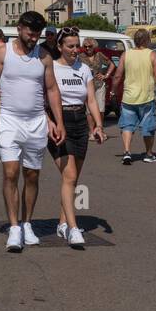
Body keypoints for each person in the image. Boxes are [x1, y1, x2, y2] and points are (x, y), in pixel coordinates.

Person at [0, 11, 65, 252]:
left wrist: (59, 122)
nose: (33, 38)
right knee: (10, 172)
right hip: (9, 121)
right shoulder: (2, 52)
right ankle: (14, 227)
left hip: (36, 122)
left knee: (32, 175)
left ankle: (27, 223)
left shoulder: (45, 56)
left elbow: (52, 90)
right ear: (19, 29)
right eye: (30, 33)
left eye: (37, 34)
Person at [48, 27, 106, 247]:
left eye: (77, 46)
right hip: (59, 123)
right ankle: (73, 229)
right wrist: (50, 122)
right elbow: (43, 98)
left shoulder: (84, 69)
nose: (75, 50)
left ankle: (62, 223)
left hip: (80, 122)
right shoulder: (51, 68)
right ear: (60, 47)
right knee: (70, 176)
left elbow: (91, 100)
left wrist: (98, 126)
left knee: (72, 179)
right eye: (70, 46)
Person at [110, 28, 156, 163]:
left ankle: (127, 151)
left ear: (135, 41)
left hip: (128, 97)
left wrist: (113, 90)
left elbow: (118, 75)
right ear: (147, 40)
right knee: (148, 127)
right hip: (146, 98)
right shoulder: (152, 55)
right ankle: (148, 153)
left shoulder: (126, 55)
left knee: (127, 126)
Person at [80, 38, 112, 118]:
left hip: (99, 84)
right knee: (89, 111)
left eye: (90, 46)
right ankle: (91, 130)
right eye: (85, 46)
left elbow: (111, 64)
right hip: (86, 85)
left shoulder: (99, 54)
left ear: (94, 46)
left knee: (101, 109)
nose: (87, 48)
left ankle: (99, 127)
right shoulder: (80, 57)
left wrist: (106, 75)